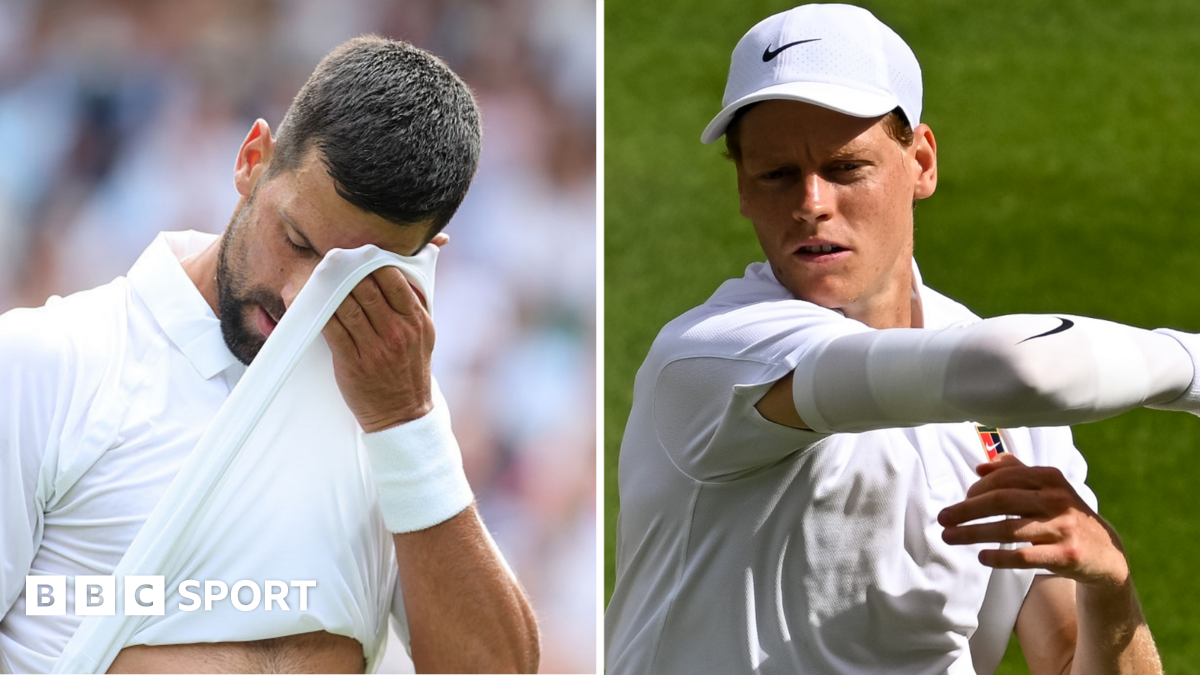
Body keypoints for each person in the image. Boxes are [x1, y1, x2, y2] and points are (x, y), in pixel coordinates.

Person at [606, 4, 1197, 673]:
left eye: (845, 167)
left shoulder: (993, 392)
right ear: (743, 186)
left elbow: (1066, 658)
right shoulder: (714, 357)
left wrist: (1108, 582)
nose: (811, 203)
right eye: (776, 174)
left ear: (921, 163)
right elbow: (1017, 370)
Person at [0, 37, 539, 674]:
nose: (298, 296)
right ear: (252, 160)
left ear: (422, 259)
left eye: (347, 274)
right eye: (297, 240)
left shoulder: (394, 410)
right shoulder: (45, 360)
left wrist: (406, 421)